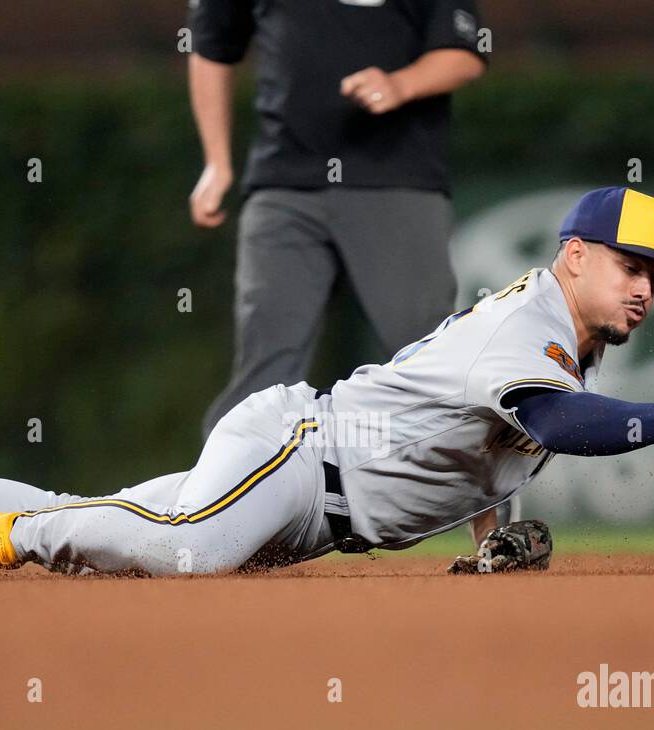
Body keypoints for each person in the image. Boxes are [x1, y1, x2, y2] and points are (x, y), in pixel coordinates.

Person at [0, 188, 654, 582]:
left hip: (319, 507)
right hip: (299, 455)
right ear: (573, 255)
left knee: (100, 519)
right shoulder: (531, 324)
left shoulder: (564, 329)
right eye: (630, 265)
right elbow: (554, 422)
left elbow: (480, 431)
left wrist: (492, 534)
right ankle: (1, 539)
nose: (645, 287)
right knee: (182, 548)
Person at [187, 0, 487, 437]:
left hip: (396, 180)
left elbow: (465, 51)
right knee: (266, 365)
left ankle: (478, 497)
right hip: (283, 183)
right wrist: (216, 161)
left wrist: (400, 84)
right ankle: (234, 496)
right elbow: (211, 45)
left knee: (429, 356)